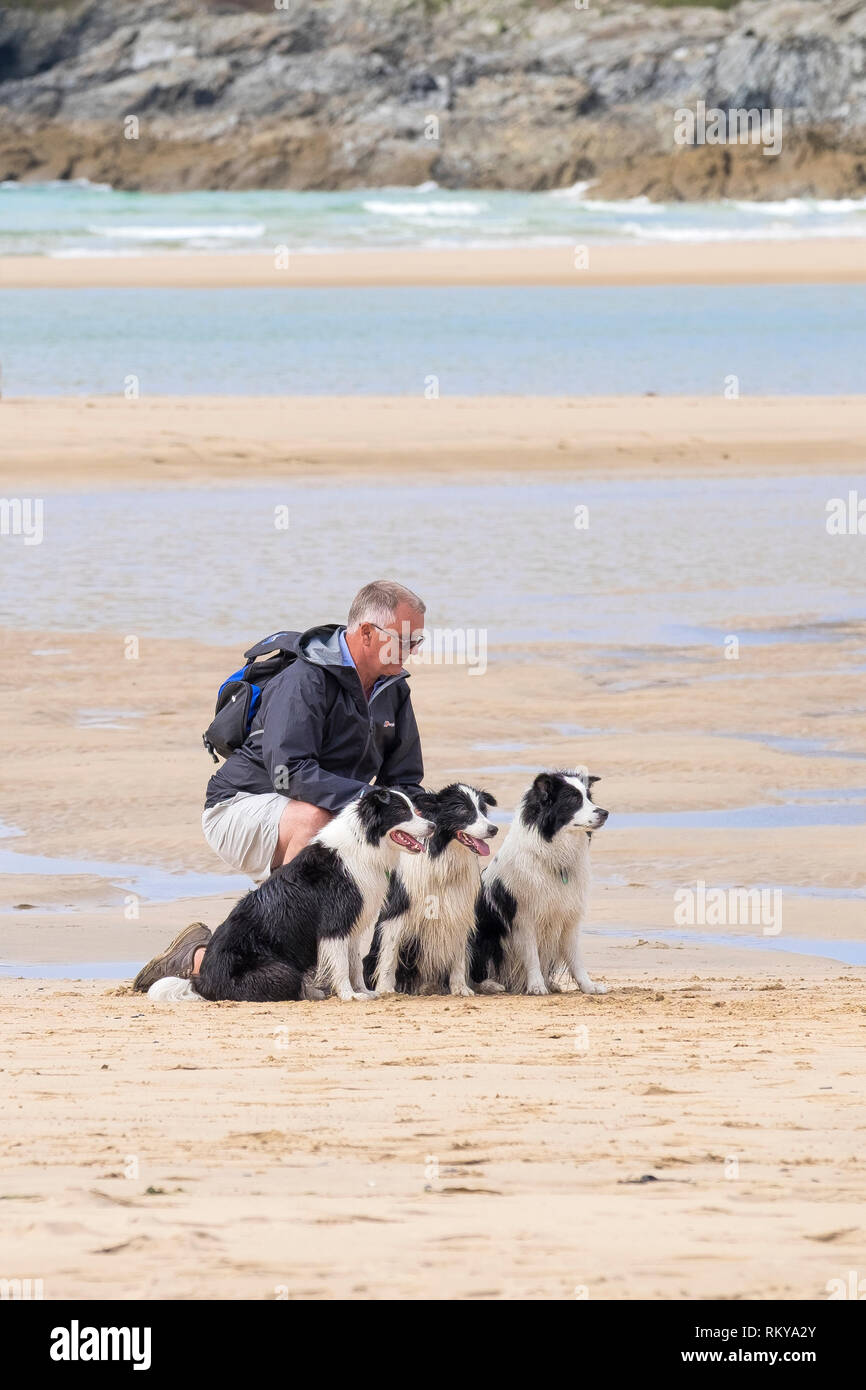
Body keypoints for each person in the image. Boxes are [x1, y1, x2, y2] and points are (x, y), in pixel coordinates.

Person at [133, 579, 427, 992]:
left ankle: (207, 953)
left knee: (410, 835)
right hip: (239, 804)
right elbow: (290, 772)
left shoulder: (393, 689)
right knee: (317, 821)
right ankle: (210, 964)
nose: (414, 650)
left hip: (321, 809)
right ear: (366, 633)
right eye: (406, 639)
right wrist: (364, 801)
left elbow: (405, 782)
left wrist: (430, 825)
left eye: (418, 639)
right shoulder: (305, 678)